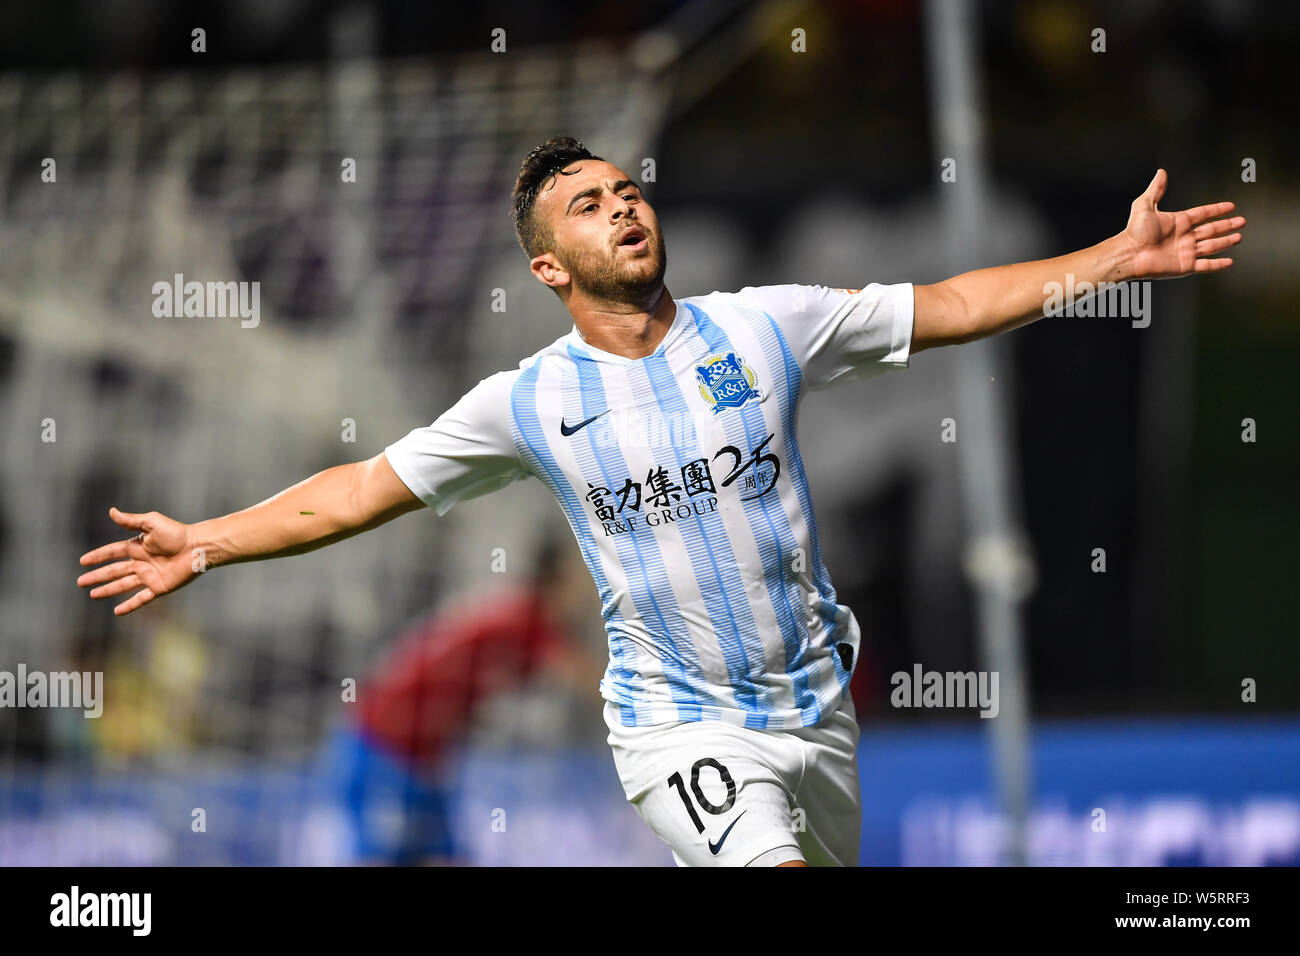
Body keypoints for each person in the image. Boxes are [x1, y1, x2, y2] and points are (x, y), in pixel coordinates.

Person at [78, 136, 1244, 866]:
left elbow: (945, 302)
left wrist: (1107, 259)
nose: (623, 208)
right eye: (587, 205)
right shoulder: (527, 401)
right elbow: (357, 490)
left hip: (817, 715)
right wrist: (209, 543)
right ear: (548, 268)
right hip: (680, 726)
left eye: (627, 191)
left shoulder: (762, 323)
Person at [322, 534, 603, 865]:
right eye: (585, 571)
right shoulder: (523, 620)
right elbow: (594, 683)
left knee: (444, 856)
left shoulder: (512, 617)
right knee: (383, 856)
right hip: (382, 748)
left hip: (422, 760)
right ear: (559, 575)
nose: (593, 585)